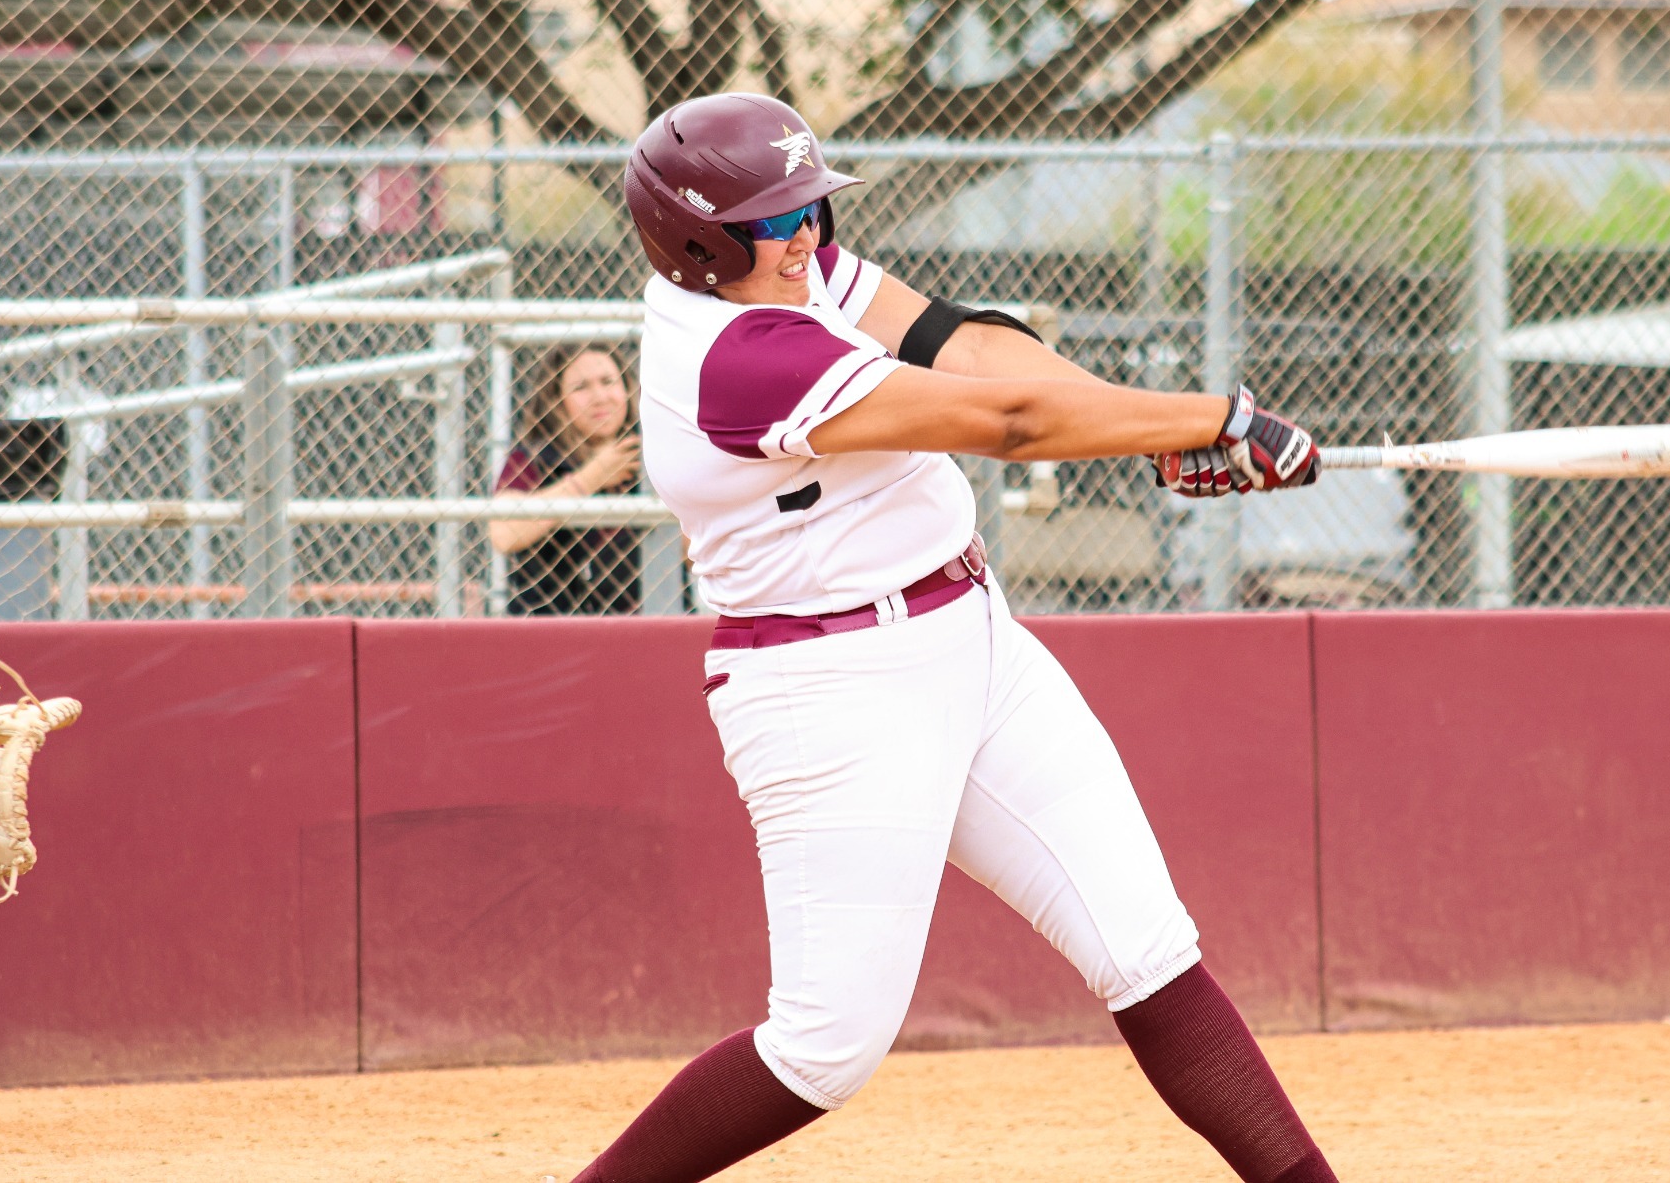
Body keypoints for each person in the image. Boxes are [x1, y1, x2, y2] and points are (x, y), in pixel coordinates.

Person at [569, 92, 1333, 1183]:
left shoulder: (781, 267)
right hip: (829, 687)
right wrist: (1210, 420)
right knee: (825, 1048)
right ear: (697, 239)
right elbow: (1005, 424)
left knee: (1146, 948)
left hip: (973, 640)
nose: (807, 236)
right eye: (777, 219)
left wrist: (1146, 439)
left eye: (808, 210)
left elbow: (966, 345)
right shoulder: (733, 357)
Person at [489, 344, 642, 615]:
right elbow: (503, 533)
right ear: (556, 399)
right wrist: (592, 478)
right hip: (552, 630)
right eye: (581, 387)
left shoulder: (655, 457)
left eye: (608, 382)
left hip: (644, 628)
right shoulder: (534, 458)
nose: (600, 397)